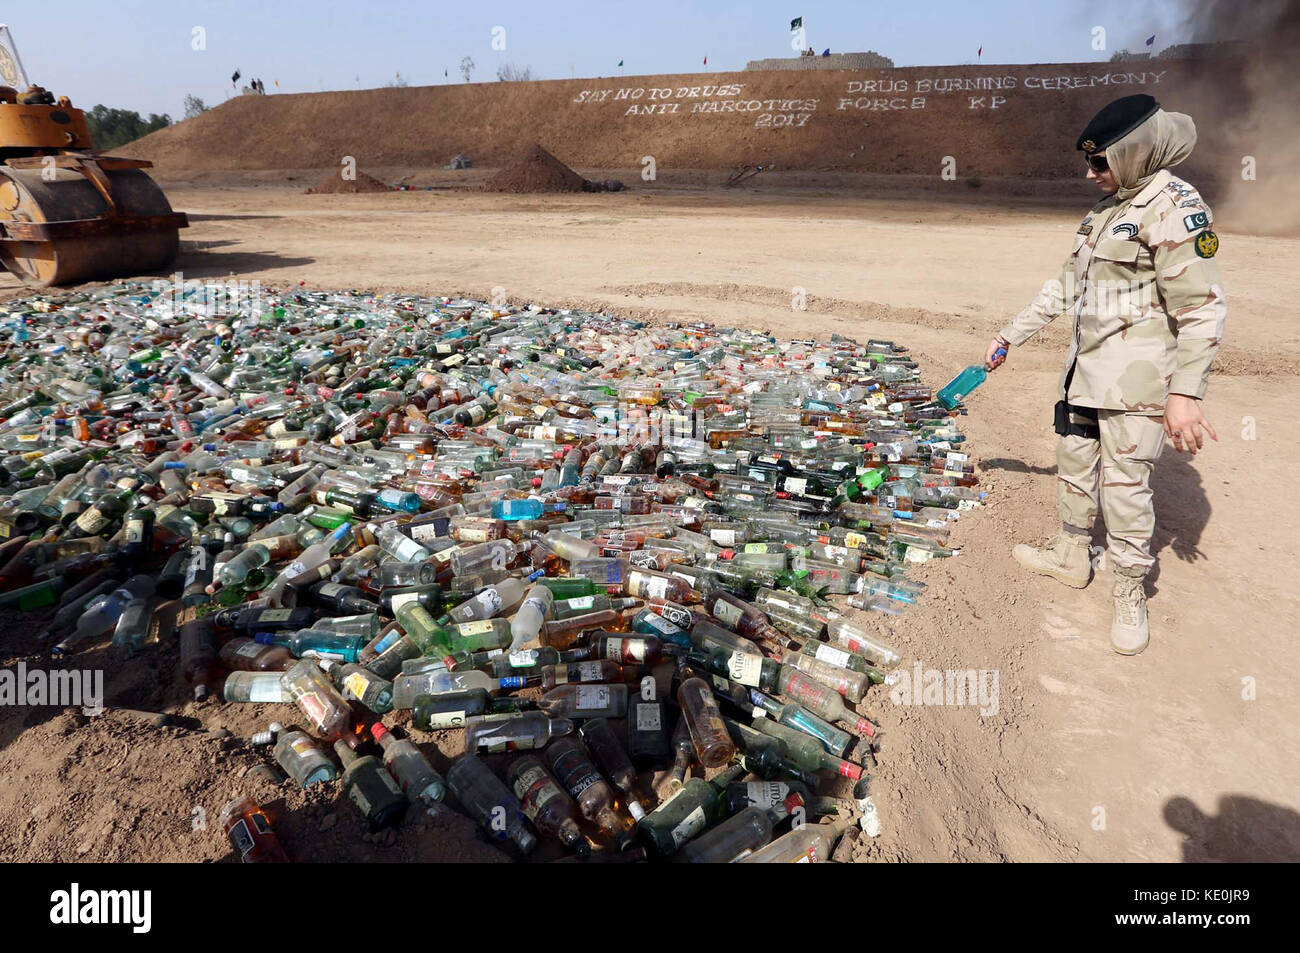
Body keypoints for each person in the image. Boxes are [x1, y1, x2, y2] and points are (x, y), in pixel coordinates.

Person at [985, 94, 1226, 656]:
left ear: (1135, 152)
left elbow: (1202, 307)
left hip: (1135, 386)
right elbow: (1066, 284)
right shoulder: (1106, 209)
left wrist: (1185, 393)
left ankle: (1129, 588)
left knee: (1124, 488)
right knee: (1074, 467)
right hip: (1084, 375)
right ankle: (1071, 556)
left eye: (1100, 162)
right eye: (1088, 163)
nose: (1089, 173)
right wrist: (1008, 336)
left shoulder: (1175, 207)